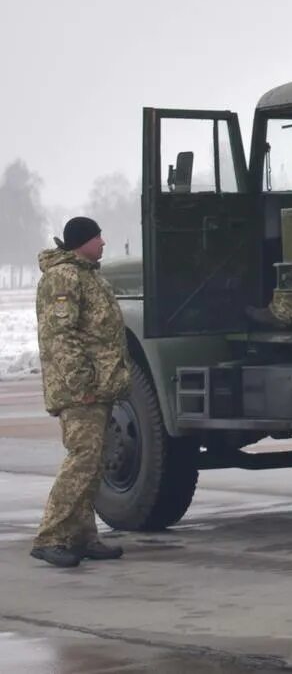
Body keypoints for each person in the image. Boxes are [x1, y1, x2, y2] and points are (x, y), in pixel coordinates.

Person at [31, 216, 131, 568]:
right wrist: (81, 384)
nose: (103, 242)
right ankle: (51, 536)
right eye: (97, 236)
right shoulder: (64, 277)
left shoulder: (88, 275)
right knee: (81, 461)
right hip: (81, 391)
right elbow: (61, 337)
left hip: (98, 388)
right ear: (81, 241)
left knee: (93, 465)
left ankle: (82, 536)